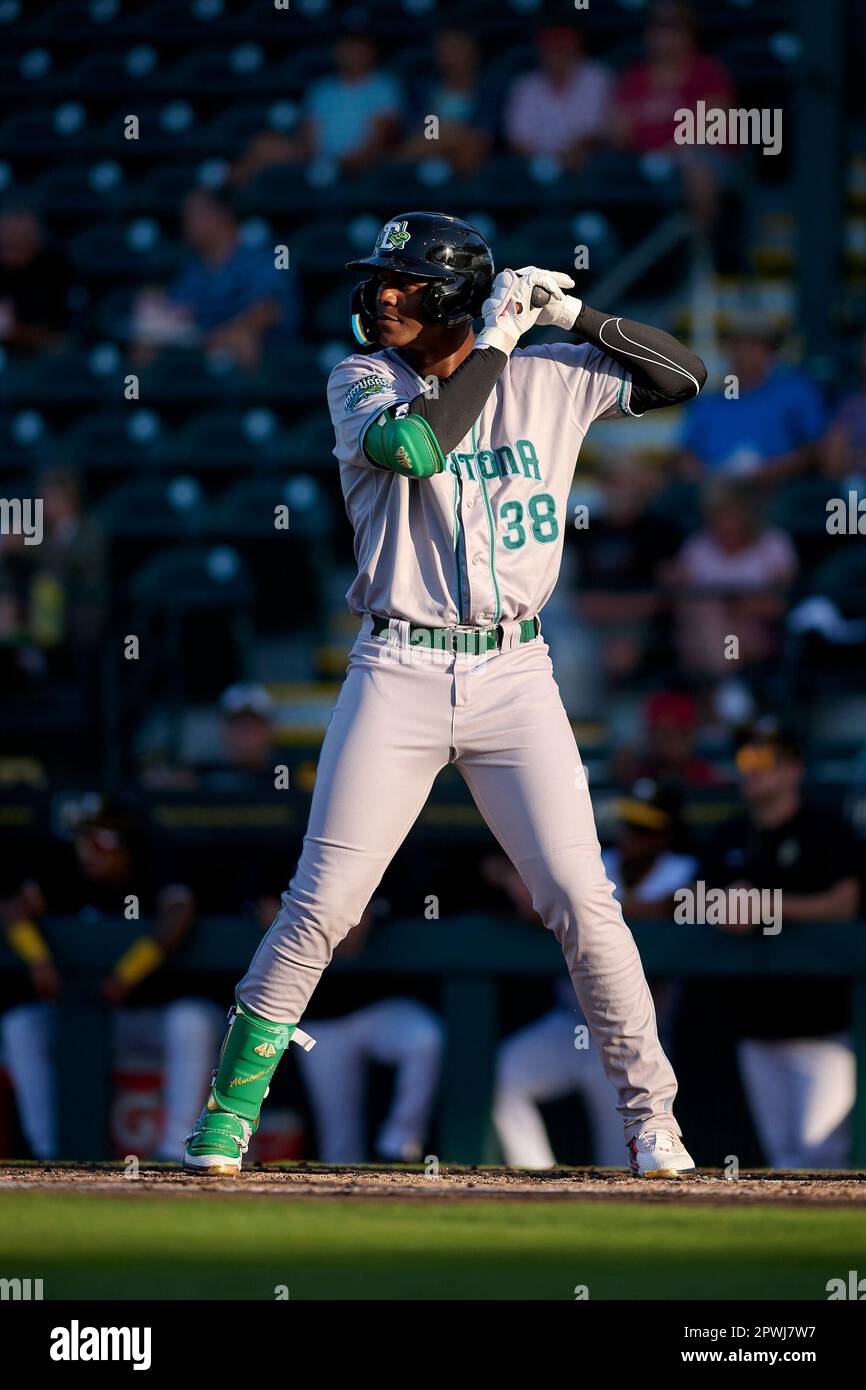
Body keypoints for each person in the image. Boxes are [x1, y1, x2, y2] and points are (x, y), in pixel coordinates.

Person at [183, 210, 707, 1179]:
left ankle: (652, 1120)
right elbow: (420, 452)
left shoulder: (548, 374)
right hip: (399, 665)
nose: (384, 294)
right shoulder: (362, 381)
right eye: (381, 278)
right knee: (324, 900)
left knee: (584, 903)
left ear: (456, 293)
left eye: (408, 281)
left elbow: (682, 377)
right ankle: (227, 1116)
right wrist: (502, 336)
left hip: (515, 669)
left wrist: (576, 312)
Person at [488, 782, 698, 1168]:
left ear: (665, 835)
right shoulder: (603, 862)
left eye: (644, 830)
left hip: (634, 1037)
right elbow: (536, 902)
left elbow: (672, 906)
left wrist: (589, 907)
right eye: (628, 826)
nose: (632, 838)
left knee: (629, 1149)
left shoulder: (682, 870)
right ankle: (538, 1178)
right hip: (569, 1025)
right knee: (502, 1075)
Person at [1, 797, 221, 1161]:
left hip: (154, 1016)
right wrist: (37, 959)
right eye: (83, 841)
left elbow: (178, 915)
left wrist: (126, 974)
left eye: (98, 843)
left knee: (191, 1022)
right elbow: (13, 910)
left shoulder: (153, 864)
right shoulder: (66, 871)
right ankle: (48, 1152)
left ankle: (174, 1152)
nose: (88, 853)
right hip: (90, 1016)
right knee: (20, 1026)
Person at [700, 719, 861, 1169]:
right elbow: (698, 902)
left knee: (821, 1152)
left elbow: (844, 904)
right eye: (745, 759)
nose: (752, 770)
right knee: (782, 1158)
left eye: (765, 760)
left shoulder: (825, 828)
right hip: (755, 1025)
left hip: (821, 1027)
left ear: (794, 769)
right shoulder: (730, 835)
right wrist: (724, 909)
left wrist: (768, 906)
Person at [131, 187, 296, 371]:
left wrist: (223, 337)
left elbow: (268, 309)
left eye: (196, 214)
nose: (188, 224)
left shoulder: (259, 258)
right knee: (148, 336)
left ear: (222, 214)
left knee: (244, 340)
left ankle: (254, 397)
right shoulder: (193, 271)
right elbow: (181, 312)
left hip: (257, 351)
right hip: (203, 350)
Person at [607, 1, 736, 231]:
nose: (664, 36)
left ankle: (700, 253)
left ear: (689, 32)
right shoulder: (635, 78)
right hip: (643, 161)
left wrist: (667, 153)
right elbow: (617, 133)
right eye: (657, 27)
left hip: (699, 158)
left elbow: (708, 126)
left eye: (674, 27)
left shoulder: (707, 71)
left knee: (696, 167)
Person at [232, 28, 402, 184]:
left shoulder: (383, 86)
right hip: (317, 158)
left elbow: (381, 136)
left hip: (361, 162)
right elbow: (308, 135)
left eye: (358, 48)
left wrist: (345, 162)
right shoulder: (322, 89)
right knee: (264, 145)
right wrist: (317, 160)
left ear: (370, 51)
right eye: (347, 48)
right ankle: (223, 190)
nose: (352, 54)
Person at [666, 478, 798, 681]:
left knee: (718, 623)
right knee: (707, 618)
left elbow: (781, 604)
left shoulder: (773, 544)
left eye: (730, 511)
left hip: (758, 634)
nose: (724, 520)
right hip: (706, 637)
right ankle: (730, 687)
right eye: (717, 513)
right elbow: (683, 602)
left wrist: (729, 606)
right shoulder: (697, 547)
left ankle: (724, 684)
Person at [680, 319, 826, 482]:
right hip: (714, 486)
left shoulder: (795, 391)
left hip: (778, 487)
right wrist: (703, 475)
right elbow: (687, 454)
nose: (745, 354)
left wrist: (768, 471)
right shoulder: (709, 402)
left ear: (770, 353)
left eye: (755, 347)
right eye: (738, 346)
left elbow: (816, 450)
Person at [504, 27, 611, 168]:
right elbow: (518, 141)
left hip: (587, 163)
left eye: (564, 49)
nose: (559, 56)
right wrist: (553, 159)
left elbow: (595, 132)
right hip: (537, 165)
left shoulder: (597, 77)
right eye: (554, 50)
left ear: (577, 50)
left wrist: (571, 155)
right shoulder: (525, 85)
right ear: (543, 53)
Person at [396, 28, 496, 176]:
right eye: (446, 50)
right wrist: (451, 137)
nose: (451, 56)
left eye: (458, 49)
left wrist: (444, 137)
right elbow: (413, 144)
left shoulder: (489, 94)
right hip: (421, 172)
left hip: (471, 173)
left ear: (473, 52)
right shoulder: (424, 92)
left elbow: (479, 142)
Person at [0, 203, 71, 353]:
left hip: (37, 363)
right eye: (6, 238)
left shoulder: (55, 275)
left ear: (36, 239)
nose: (11, 241)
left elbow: (62, 342)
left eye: (21, 238)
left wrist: (16, 331)